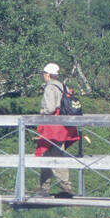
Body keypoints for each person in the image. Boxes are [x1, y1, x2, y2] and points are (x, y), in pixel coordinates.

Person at [34, 62, 82, 198]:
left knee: (54, 156)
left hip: (52, 128)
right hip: (62, 127)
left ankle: (66, 188)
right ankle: (44, 188)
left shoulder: (50, 88)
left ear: (48, 75)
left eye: (44, 74)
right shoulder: (63, 86)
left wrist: (42, 111)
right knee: (49, 155)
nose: (44, 76)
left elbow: (49, 108)